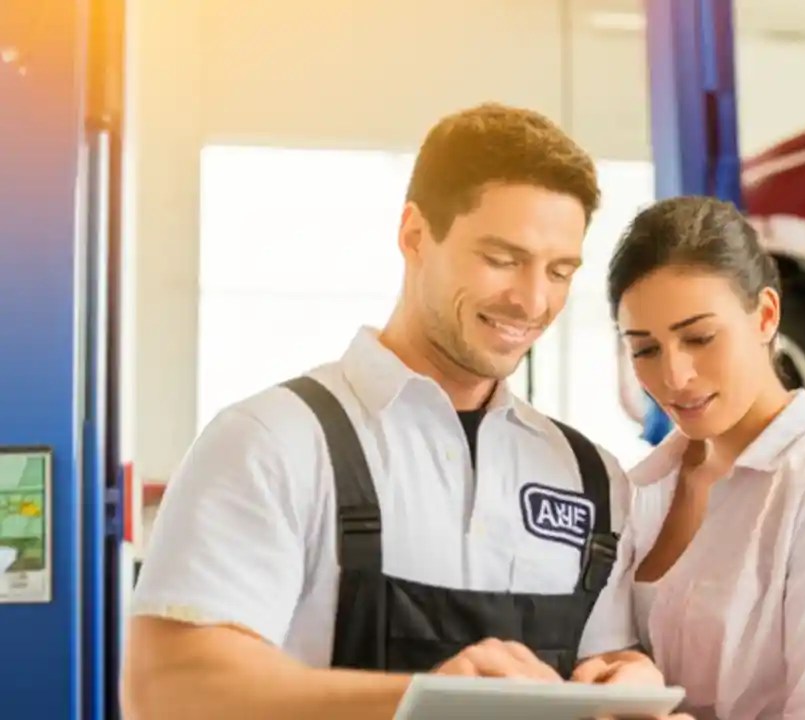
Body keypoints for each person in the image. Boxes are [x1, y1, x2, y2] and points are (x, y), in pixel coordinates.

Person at [122, 103, 680, 720]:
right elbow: (170, 688)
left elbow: (598, 681)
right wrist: (432, 703)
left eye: (560, 270)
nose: (532, 299)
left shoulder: (593, 480)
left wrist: (628, 680)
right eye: (501, 259)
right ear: (414, 235)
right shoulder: (272, 442)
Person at [607, 195, 805, 719]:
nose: (674, 376)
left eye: (700, 337)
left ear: (766, 316)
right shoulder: (636, 491)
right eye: (645, 349)